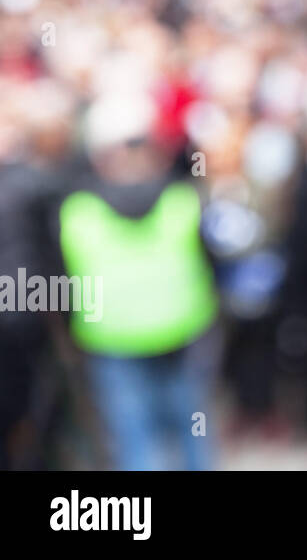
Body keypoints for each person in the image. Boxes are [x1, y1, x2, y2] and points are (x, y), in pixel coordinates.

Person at [54, 91, 221, 470]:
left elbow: (60, 279)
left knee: (137, 442)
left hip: (116, 340)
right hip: (179, 330)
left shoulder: (78, 211)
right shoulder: (182, 198)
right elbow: (213, 262)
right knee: (192, 434)